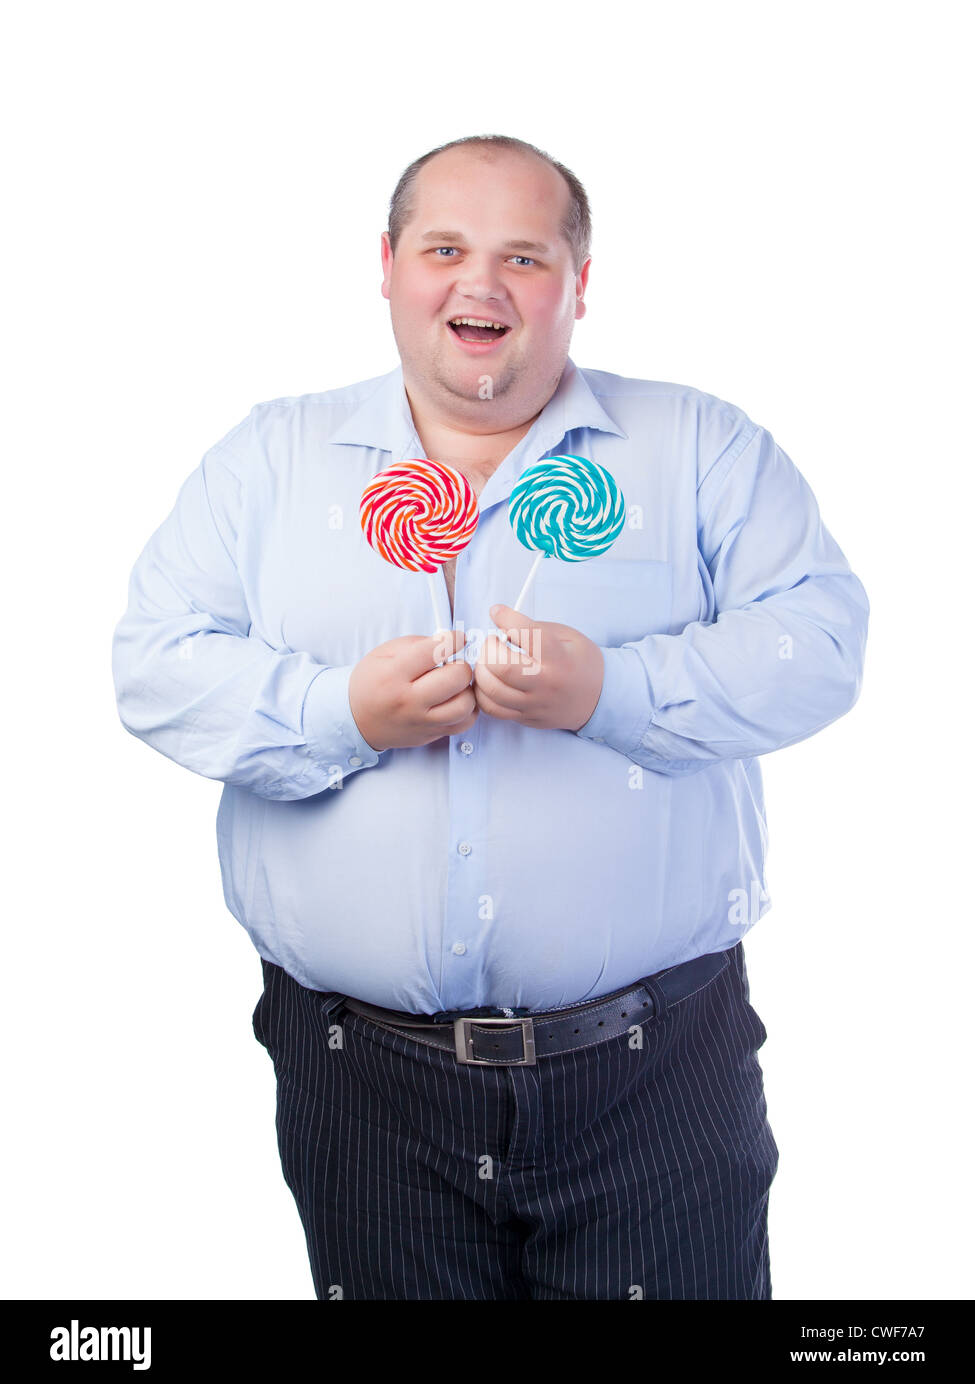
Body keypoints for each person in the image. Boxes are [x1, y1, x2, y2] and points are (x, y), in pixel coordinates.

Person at [111, 134, 869, 1301]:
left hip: (655, 1068)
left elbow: (821, 642)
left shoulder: (700, 447)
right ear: (387, 266)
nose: (481, 282)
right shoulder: (270, 460)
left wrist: (611, 693)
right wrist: (340, 711)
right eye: (446, 247)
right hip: (358, 1076)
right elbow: (155, 667)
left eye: (524, 254)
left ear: (578, 283)